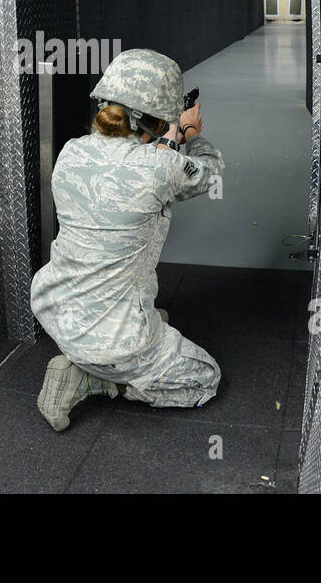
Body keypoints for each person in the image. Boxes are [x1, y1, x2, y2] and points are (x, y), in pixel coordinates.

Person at [31, 48, 225, 431]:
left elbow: (129, 167)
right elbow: (211, 172)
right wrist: (188, 133)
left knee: (149, 314)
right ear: (153, 119)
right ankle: (98, 377)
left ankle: (84, 359)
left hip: (57, 311)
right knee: (205, 378)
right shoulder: (163, 167)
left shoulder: (71, 152)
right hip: (118, 339)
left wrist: (164, 141)